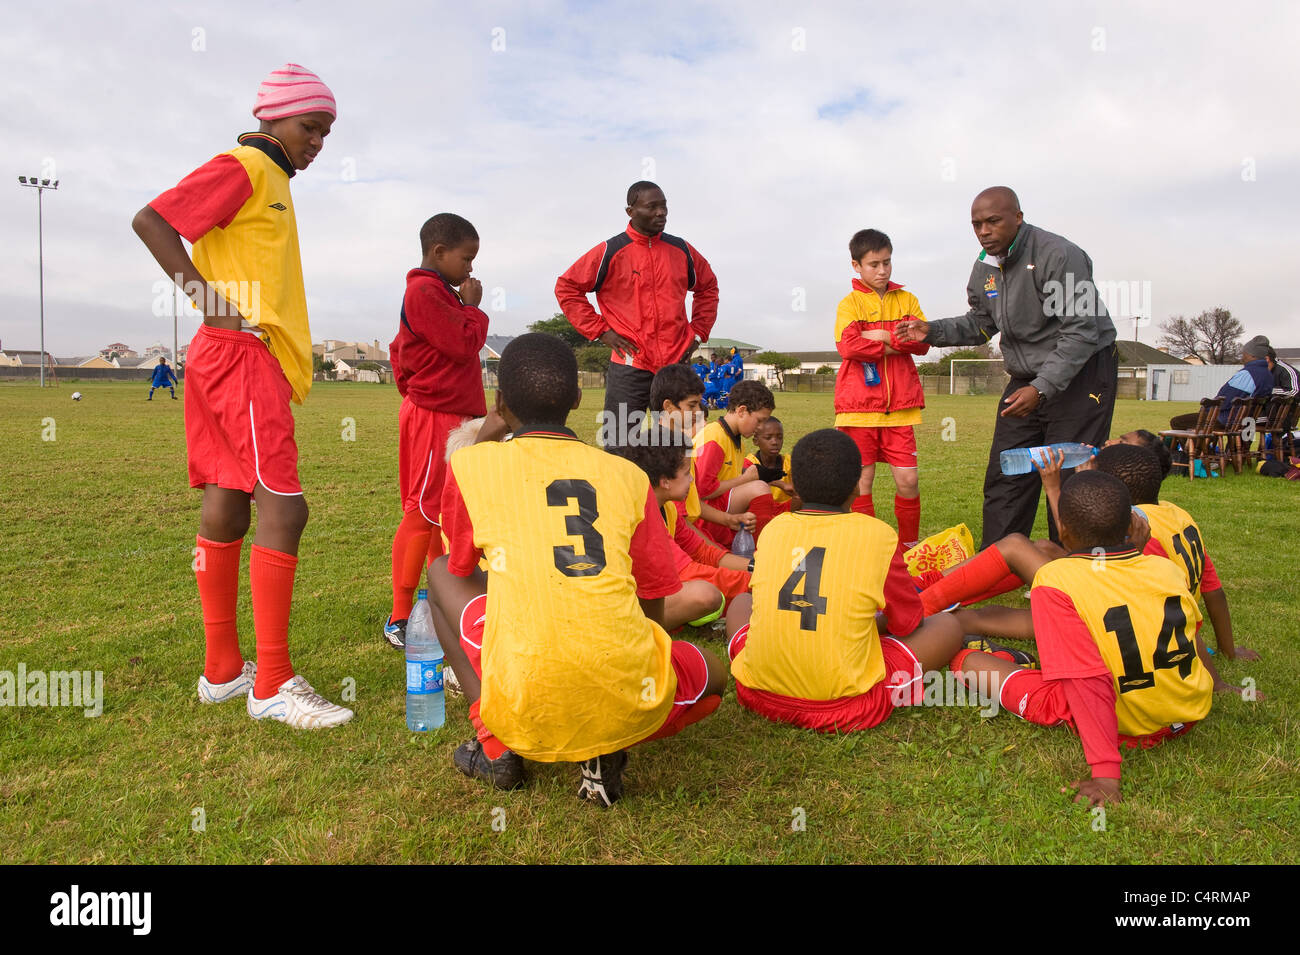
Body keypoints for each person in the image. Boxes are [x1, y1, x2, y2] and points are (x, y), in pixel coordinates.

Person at [131, 64, 352, 727]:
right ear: (271, 117)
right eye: (311, 127)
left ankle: (224, 671)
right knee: (286, 507)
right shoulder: (247, 166)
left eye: (326, 132)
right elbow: (152, 220)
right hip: (241, 356)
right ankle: (273, 683)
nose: (318, 142)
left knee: (227, 502)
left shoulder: (273, 179)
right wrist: (208, 300)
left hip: (235, 358)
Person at [427, 333, 726, 806]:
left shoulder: (471, 467)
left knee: (441, 571)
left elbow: (461, 564)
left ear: (500, 402)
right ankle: (606, 744)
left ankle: (494, 743)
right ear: (578, 398)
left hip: (524, 690)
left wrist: (488, 431)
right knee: (713, 673)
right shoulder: (628, 476)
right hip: (625, 686)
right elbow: (652, 596)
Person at [950, 471, 1223, 806]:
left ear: (1063, 530)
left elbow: (1086, 678)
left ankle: (1010, 661)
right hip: (1188, 713)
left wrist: (1106, 775)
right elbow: (1191, 635)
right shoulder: (1165, 569)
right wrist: (1217, 683)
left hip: (1128, 724)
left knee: (967, 662)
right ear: (1133, 525)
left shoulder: (1056, 579)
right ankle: (1016, 656)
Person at [896, 187, 1118, 549]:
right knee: (1007, 470)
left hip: (1082, 372)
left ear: (1018, 216)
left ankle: (1069, 566)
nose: (984, 231)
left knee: (1069, 470)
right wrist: (932, 330)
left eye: (993, 221)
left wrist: (1043, 388)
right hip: (1027, 375)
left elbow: (1081, 331)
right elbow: (982, 322)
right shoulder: (986, 263)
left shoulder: (1059, 255)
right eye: (976, 224)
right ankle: (998, 561)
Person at [726, 428, 966, 731]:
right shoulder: (877, 535)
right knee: (947, 626)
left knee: (742, 602)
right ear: (857, 486)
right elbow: (907, 624)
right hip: (846, 707)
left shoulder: (774, 529)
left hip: (758, 694)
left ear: (794, 486)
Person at [383, 213, 500, 649]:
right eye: (466, 258)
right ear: (439, 252)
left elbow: (399, 352)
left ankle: (438, 602)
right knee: (423, 511)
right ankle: (399, 616)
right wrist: (472, 307)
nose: (471, 268)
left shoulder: (436, 292)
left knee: (441, 514)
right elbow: (464, 344)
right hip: (436, 415)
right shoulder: (425, 291)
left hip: (444, 413)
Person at [554, 181, 719, 445]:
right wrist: (601, 331)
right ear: (630, 211)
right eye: (652, 206)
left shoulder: (682, 250)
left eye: (664, 206)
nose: (661, 213)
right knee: (620, 444)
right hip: (630, 366)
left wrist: (698, 332)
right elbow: (567, 287)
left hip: (675, 365)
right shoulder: (610, 251)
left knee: (680, 445)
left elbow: (708, 287)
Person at [1081, 443, 1258, 660]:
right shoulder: (1176, 514)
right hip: (1180, 626)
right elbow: (1213, 590)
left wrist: (1217, 683)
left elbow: (1173, 608)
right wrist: (1229, 650)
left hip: (1158, 635)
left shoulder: (1137, 529)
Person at [834, 228, 930, 546]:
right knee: (862, 482)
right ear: (856, 265)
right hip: (858, 410)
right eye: (874, 264)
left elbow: (923, 343)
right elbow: (848, 348)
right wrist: (899, 341)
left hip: (901, 409)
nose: (883, 270)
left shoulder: (908, 299)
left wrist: (883, 336)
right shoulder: (848, 305)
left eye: (887, 262)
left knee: (909, 480)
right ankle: (868, 547)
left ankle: (909, 546)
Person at [616, 430, 752, 620]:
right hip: (626, 599)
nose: (691, 479)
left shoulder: (668, 508)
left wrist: (756, 567)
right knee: (705, 595)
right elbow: (687, 572)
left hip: (653, 592)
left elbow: (703, 552)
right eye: (687, 473)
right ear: (664, 481)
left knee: (709, 591)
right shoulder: (640, 515)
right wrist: (758, 583)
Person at [692, 379, 778, 547]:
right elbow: (702, 491)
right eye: (759, 420)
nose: (760, 427)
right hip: (703, 515)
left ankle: (748, 543)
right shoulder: (714, 438)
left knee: (758, 485)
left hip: (719, 507)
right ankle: (758, 550)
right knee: (759, 488)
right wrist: (747, 478)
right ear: (741, 411)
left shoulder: (735, 438)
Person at [1168, 335, 1274, 430]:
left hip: (1228, 420)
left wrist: (1206, 408)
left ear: (1252, 355)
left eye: (1244, 354)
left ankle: (1195, 451)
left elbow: (1226, 399)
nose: (1242, 357)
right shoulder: (1268, 375)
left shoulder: (1248, 374)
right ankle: (1203, 449)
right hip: (1247, 420)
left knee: (1177, 422)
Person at [743, 415, 795, 506]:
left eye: (779, 437)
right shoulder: (749, 464)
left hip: (786, 513)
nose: (775, 442)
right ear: (755, 441)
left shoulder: (790, 463)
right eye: (768, 438)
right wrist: (781, 484)